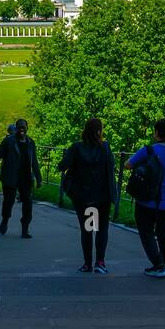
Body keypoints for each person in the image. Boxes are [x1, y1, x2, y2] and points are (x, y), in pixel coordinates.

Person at [127, 118, 165, 278]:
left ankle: (158, 265)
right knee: (164, 233)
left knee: (146, 233)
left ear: (157, 132)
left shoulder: (148, 150)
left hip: (146, 199)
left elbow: (129, 164)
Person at [58, 117, 116, 273]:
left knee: (88, 229)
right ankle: (100, 262)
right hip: (102, 196)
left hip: (84, 197)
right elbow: (111, 168)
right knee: (102, 228)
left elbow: (61, 166)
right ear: (99, 131)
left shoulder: (77, 148)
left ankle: (87, 263)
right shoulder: (105, 147)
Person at [0, 118, 42, 237]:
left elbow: (34, 162)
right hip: (10, 176)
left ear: (27, 128)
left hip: (26, 178)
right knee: (9, 201)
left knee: (28, 203)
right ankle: (5, 219)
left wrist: (39, 178)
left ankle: (25, 228)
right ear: (16, 129)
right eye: (20, 128)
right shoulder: (9, 141)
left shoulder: (30, 142)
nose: (22, 130)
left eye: (24, 127)